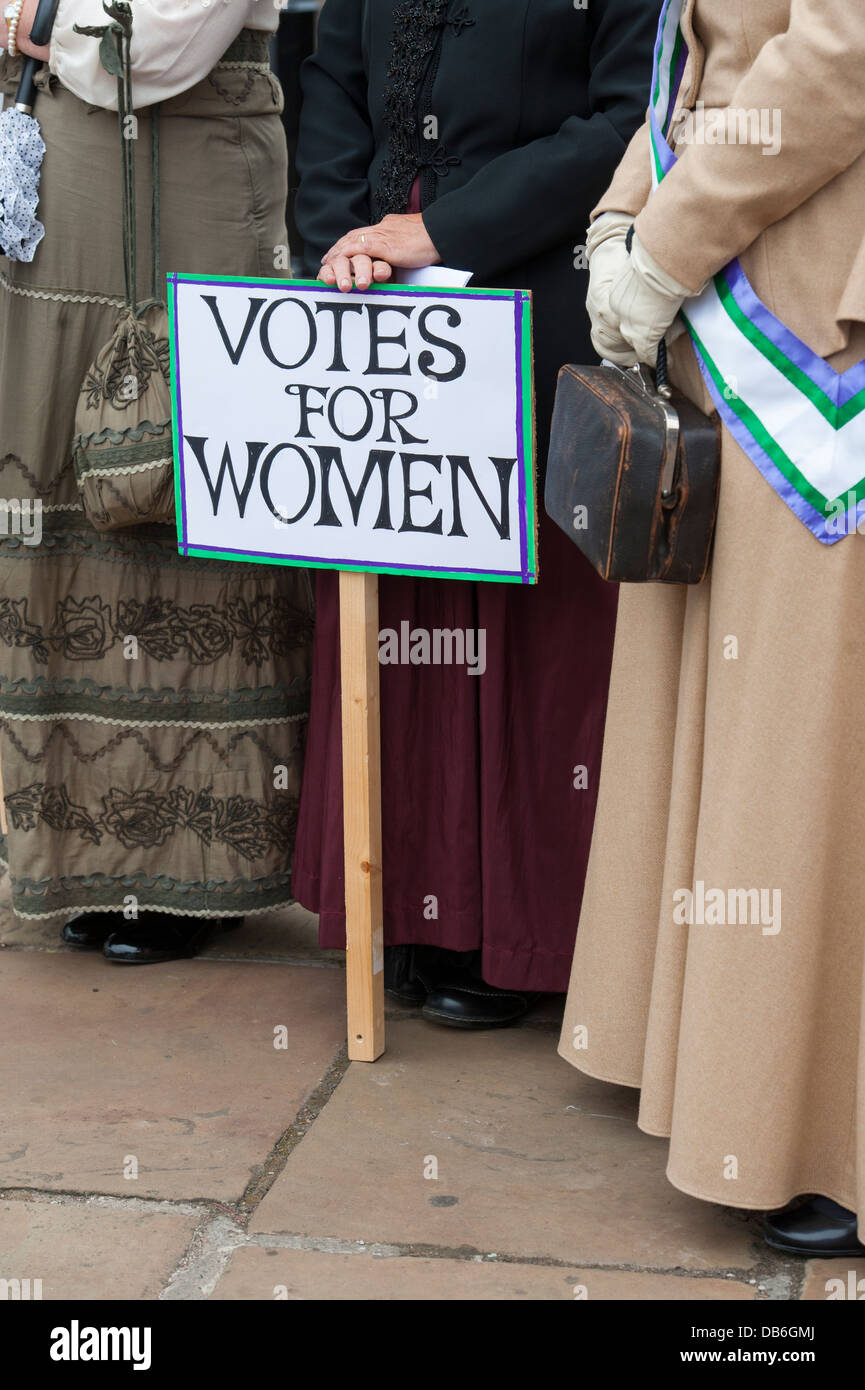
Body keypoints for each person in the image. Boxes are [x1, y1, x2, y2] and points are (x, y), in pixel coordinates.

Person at [559, 0, 865, 1256]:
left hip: (817, 302)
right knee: (735, 714)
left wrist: (667, 247)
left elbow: (839, 58)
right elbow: (695, 57)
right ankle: (720, 1074)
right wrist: (622, 222)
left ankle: (830, 1135)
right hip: (740, 273)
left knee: (806, 734)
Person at [292, 0, 659, 1027]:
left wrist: (444, 231)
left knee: (527, 634)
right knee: (396, 605)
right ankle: (408, 909)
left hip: (540, 296)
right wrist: (341, 244)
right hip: (377, 319)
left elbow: (627, 118)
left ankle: (515, 938)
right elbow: (333, 83)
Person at [0, 0, 312, 963]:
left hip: (191, 186)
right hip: (65, 192)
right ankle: (78, 851)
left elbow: (159, 42)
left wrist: (30, 18)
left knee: (182, 482)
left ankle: (193, 875)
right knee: (58, 477)